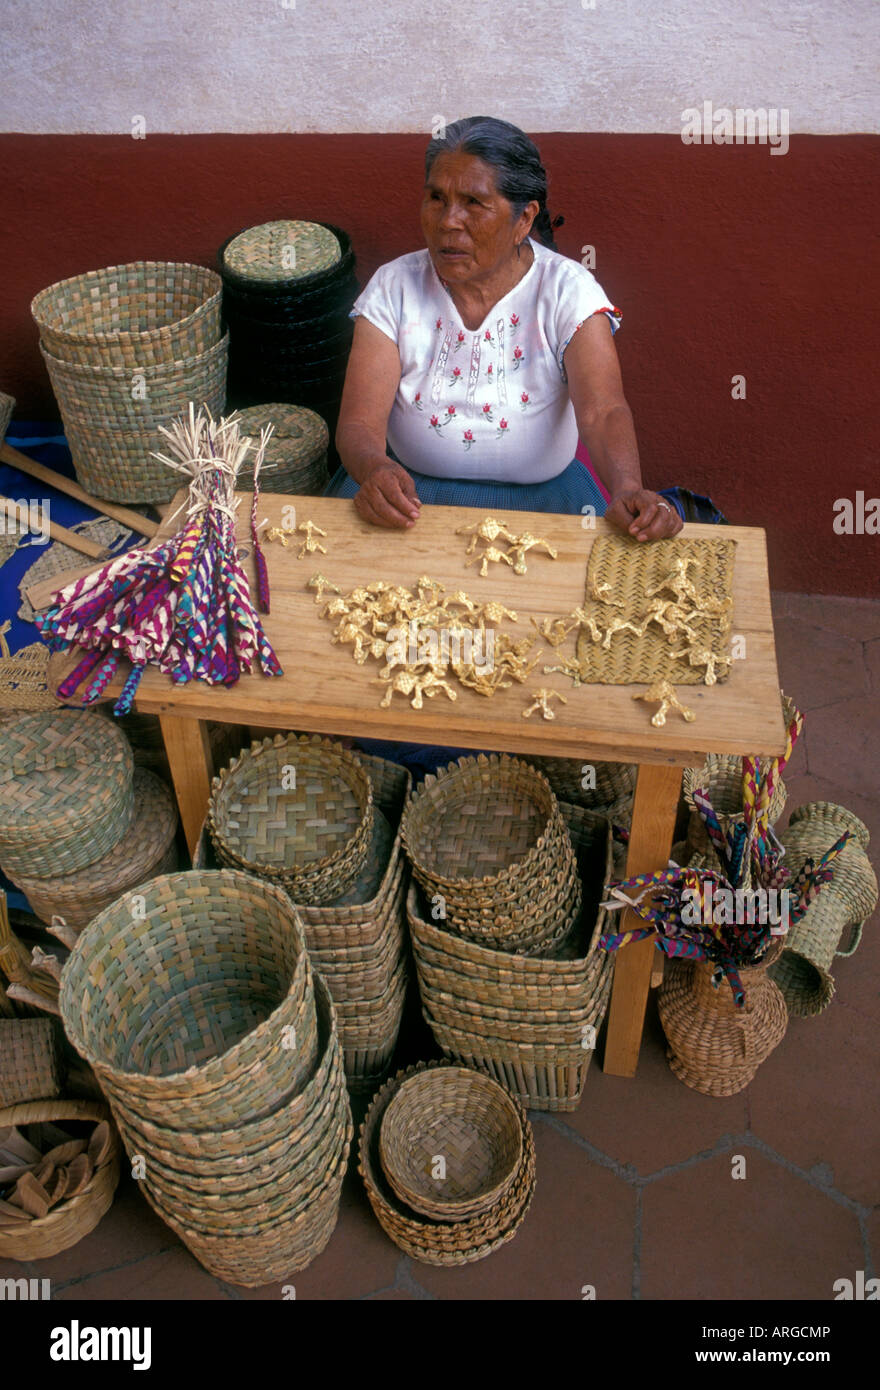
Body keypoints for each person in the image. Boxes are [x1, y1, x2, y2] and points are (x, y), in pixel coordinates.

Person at [327, 114, 684, 544]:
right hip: (409, 503)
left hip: (547, 502)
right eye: (436, 198)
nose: (448, 221)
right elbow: (359, 425)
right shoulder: (394, 287)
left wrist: (627, 487)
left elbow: (603, 410)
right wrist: (374, 468)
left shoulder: (568, 292)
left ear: (524, 219)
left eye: (473, 204)